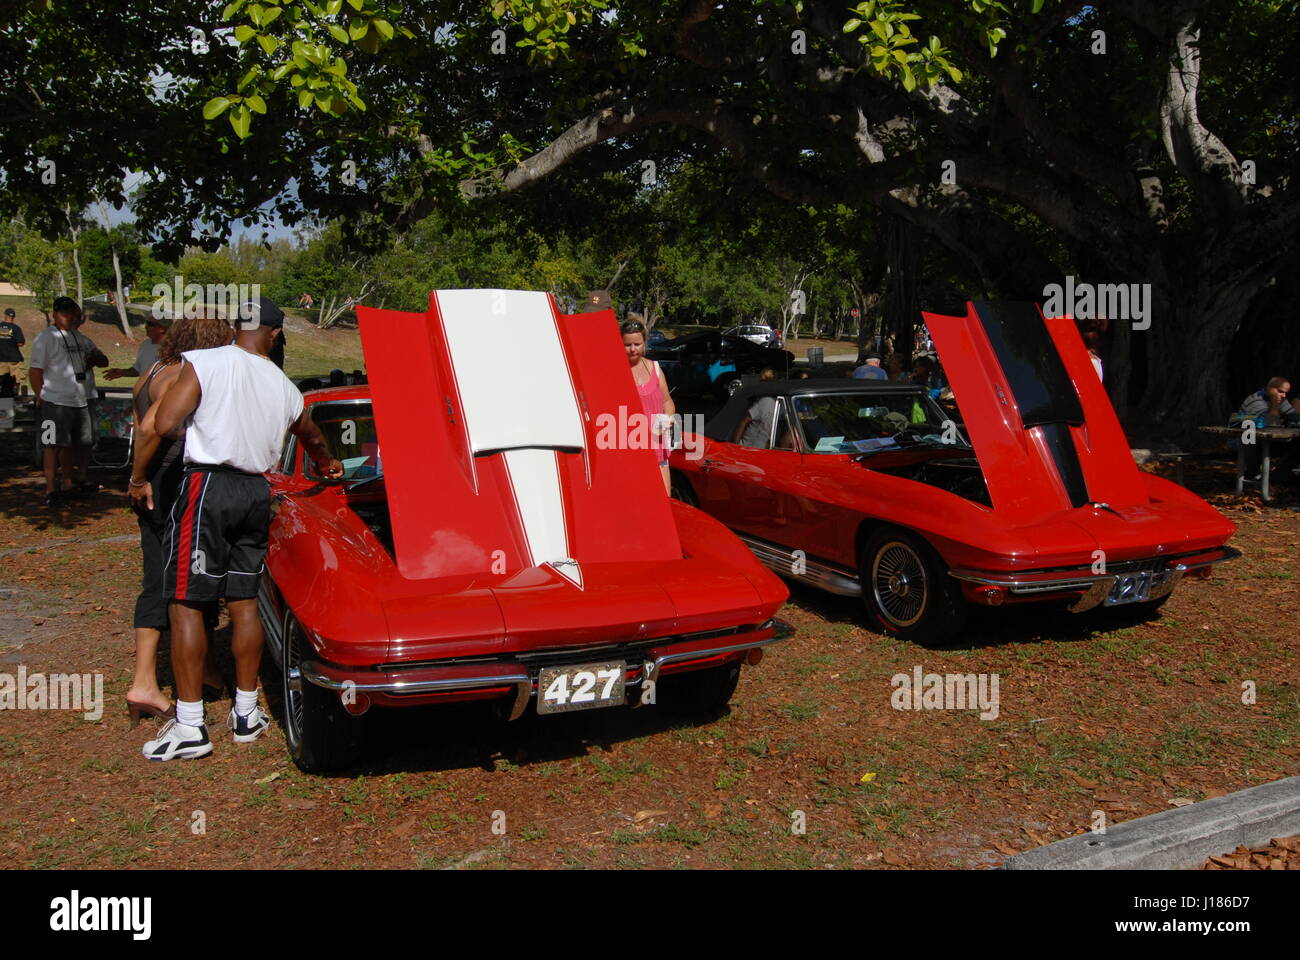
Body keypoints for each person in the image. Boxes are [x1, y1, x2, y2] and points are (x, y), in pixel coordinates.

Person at [142, 297, 341, 761]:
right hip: (257, 491)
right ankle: (247, 713)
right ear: (274, 333)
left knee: (187, 602)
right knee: (244, 600)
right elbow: (311, 437)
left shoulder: (206, 361)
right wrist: (329, 464)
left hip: (207, 486)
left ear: (240, 326)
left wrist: (209, 426)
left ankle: (191, 726)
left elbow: (167, 421)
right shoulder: (285, 386)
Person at [125, 313, 234, 725]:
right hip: (171, 485)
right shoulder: (184, 376)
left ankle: (194, 670)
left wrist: (138, 477)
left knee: (161, 574)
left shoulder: (155, 367)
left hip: (152, 481)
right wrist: (140, 478)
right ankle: (147, 683)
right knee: (183, 577)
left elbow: (137, 426)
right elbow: (153, 427)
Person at [28, 296, 107, 505]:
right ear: (54, 314)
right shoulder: (45, 338)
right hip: (54, 401)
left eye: (72, 313)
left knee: (74, 444)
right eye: (64, 313)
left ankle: (68, 483)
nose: (69, 317)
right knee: (50, 444)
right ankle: (50, 489)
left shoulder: (77, 337)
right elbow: (35, 371)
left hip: (79, 399)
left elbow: (100, 358)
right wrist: (39, 394)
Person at [622, 317, 675, 494]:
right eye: (627, 344)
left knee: (664, 500)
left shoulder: (656, 369)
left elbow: (667, 402)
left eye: (637, 344)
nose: (632, 349)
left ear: (645, 343)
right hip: (631, 454)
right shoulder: (616, 372)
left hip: (657, 450)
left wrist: (667, 419)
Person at [1234, 377, 1300, 479]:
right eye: (1280, 391)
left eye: (1285, 393)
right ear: (1269, 388)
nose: (1284, 396)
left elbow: (1293, 416)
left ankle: (1276, 476)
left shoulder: (1281, 400)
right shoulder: (1255, 400)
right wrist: (1274, 403)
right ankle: (1261, 476)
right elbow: (1271, 424)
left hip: (1271, 441)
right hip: (1252, 444)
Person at [105, 315, 170, 380]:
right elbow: (138, 370)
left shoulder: (173, 348)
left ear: (162, 329)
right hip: (144, 388)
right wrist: (122, 372)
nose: (146, 326)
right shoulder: (145, 344)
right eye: (146, 323)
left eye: (150, 324)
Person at [732, 368, 779, 447]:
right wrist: (735, 447)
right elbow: (743, 422)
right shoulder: (765, 401)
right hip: (749, 447)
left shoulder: (771, 400)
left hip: (759, 448)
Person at [0, 307, 24, 398]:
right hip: (14, 360)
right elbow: (20, 343)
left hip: (1, 359)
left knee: (2, 383)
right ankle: (14, 400)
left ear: (5, 316)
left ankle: (3, 407)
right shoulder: (16, 328)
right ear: (13, 317)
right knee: (15, 381)